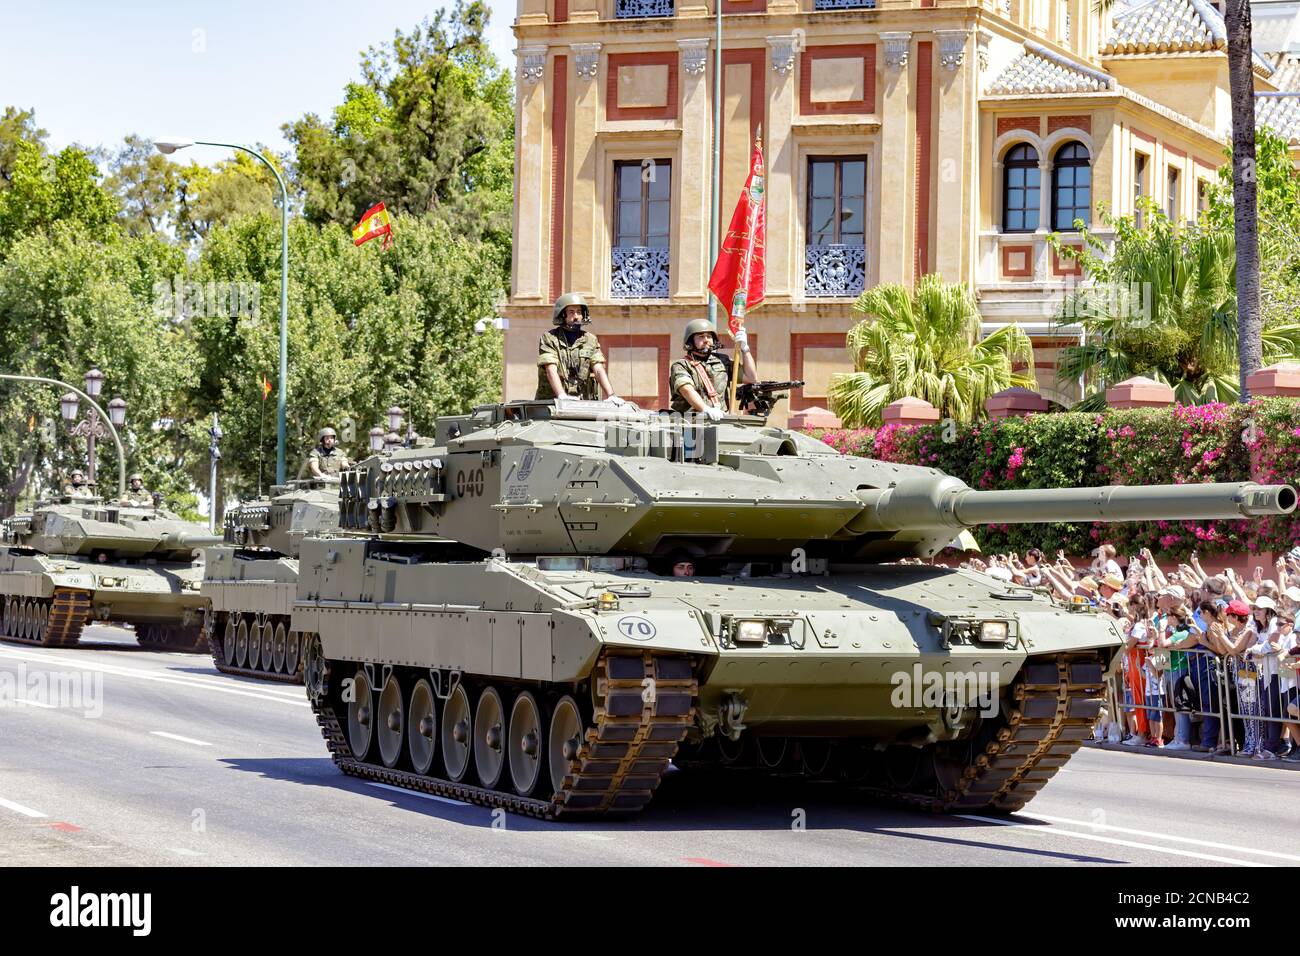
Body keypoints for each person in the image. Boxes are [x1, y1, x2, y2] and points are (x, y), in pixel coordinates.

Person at [535, 293, 621, 403]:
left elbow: (598, 369)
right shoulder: (550, 338)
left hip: (583, 404)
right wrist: (561, 395)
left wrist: (611, 395)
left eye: (579, 312)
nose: (576, 316)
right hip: (552, 404)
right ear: (562, 315)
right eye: (571, 312)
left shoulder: (590, 340)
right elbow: (551, 369)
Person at [668, 318, 757, 420]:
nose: (706, 340)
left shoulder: (723, 361)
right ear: (690, 341)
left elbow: (751, 378)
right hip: (692, 421)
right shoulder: (681, 365)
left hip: (721, 419)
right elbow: (687, 390)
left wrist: (745, 350)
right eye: (701, 337)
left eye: (709, 336)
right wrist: (705, 409)